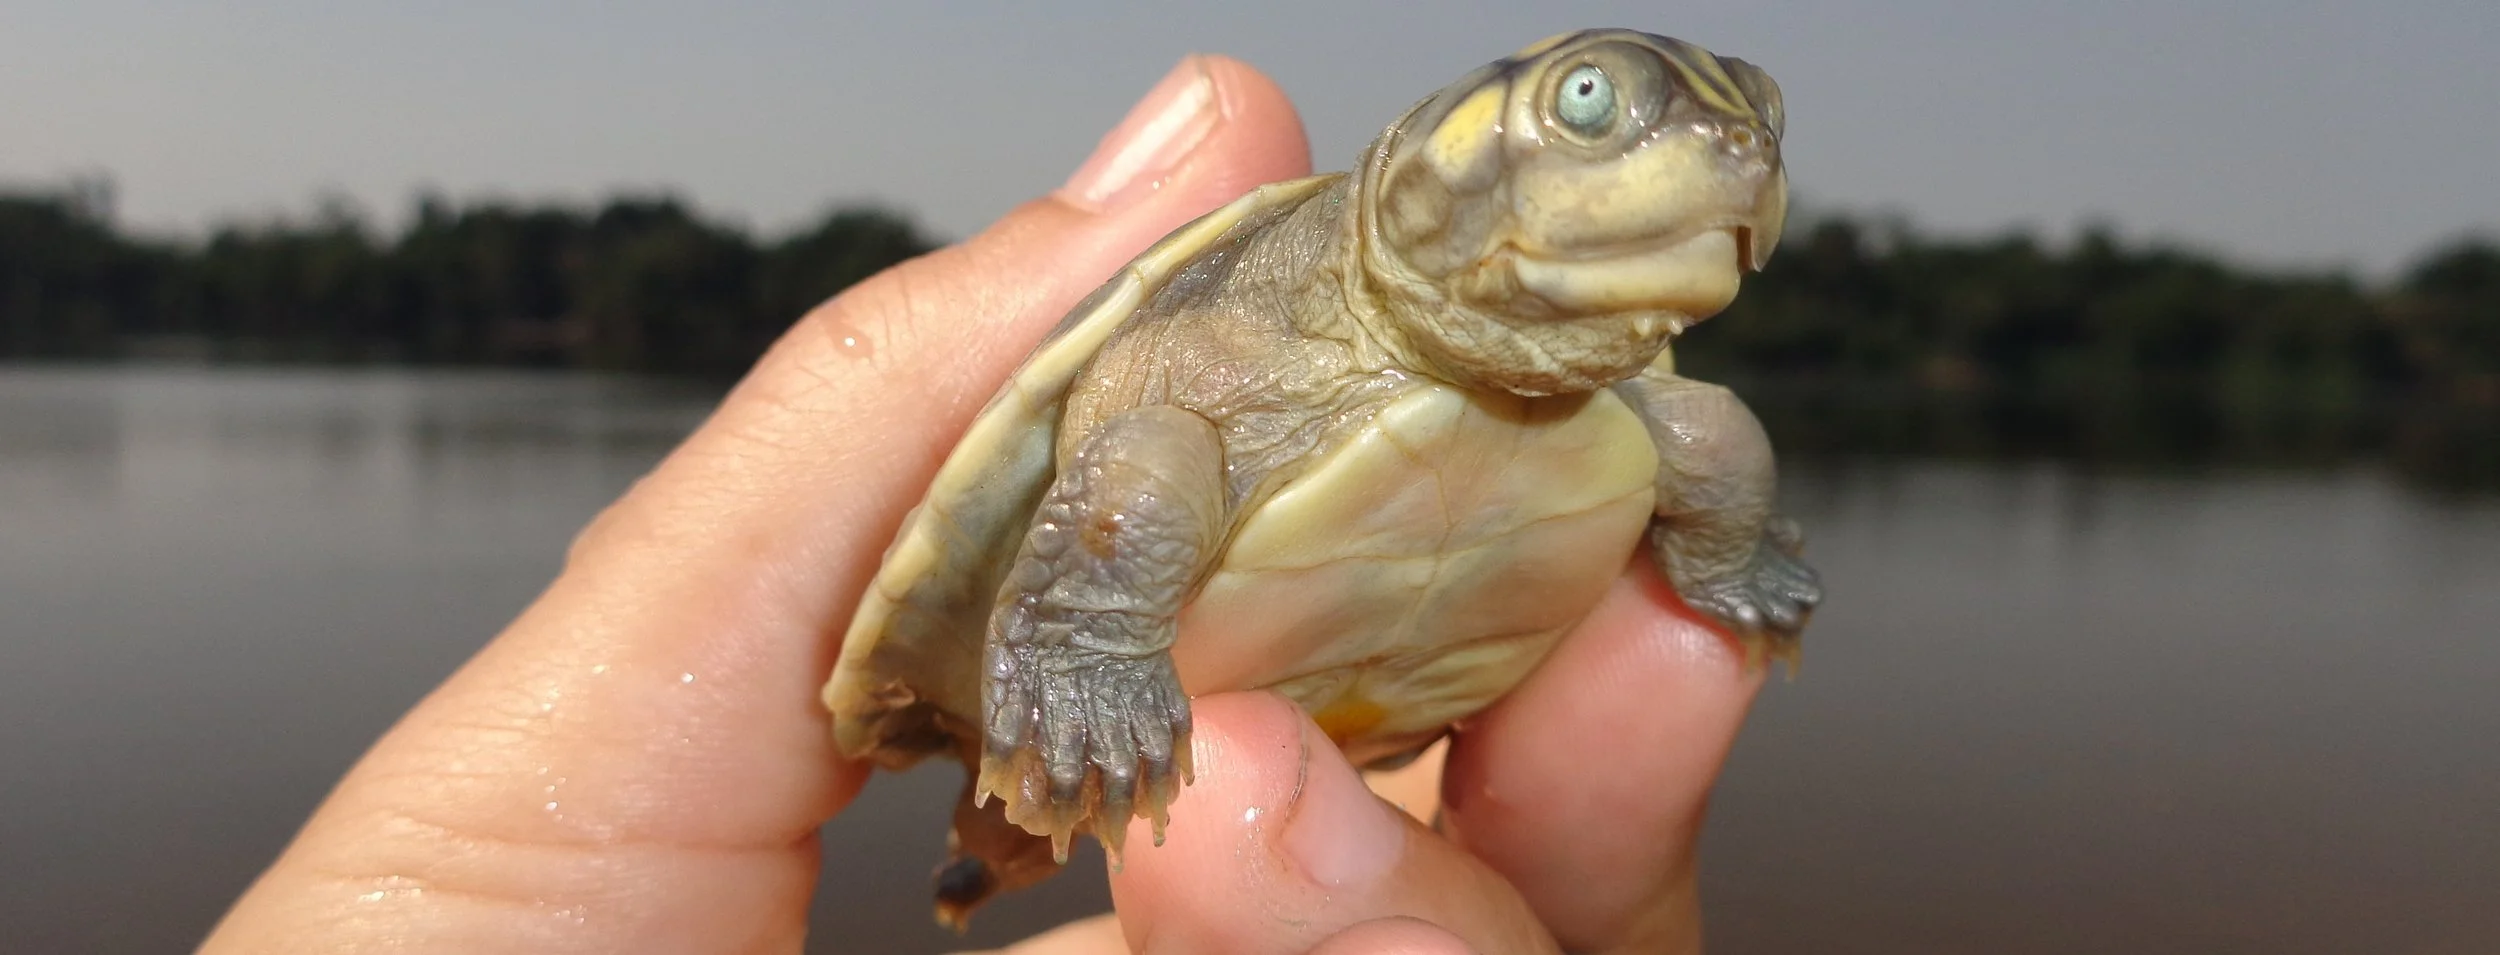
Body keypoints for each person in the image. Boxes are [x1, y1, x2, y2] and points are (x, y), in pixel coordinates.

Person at [198, 55, 1765, 955]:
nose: (1709, 149)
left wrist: (1732, 550)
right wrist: (1090, 639)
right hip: (1123, 623)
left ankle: (1030, 798)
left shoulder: (1660, 411)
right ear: (1423, 158)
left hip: (1364, 715)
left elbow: (1714, 462)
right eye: (1586, 107)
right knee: (1146, 486)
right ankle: (1023, 766)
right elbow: (1140, 453)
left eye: (1742, 126)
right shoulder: (1259, 326)